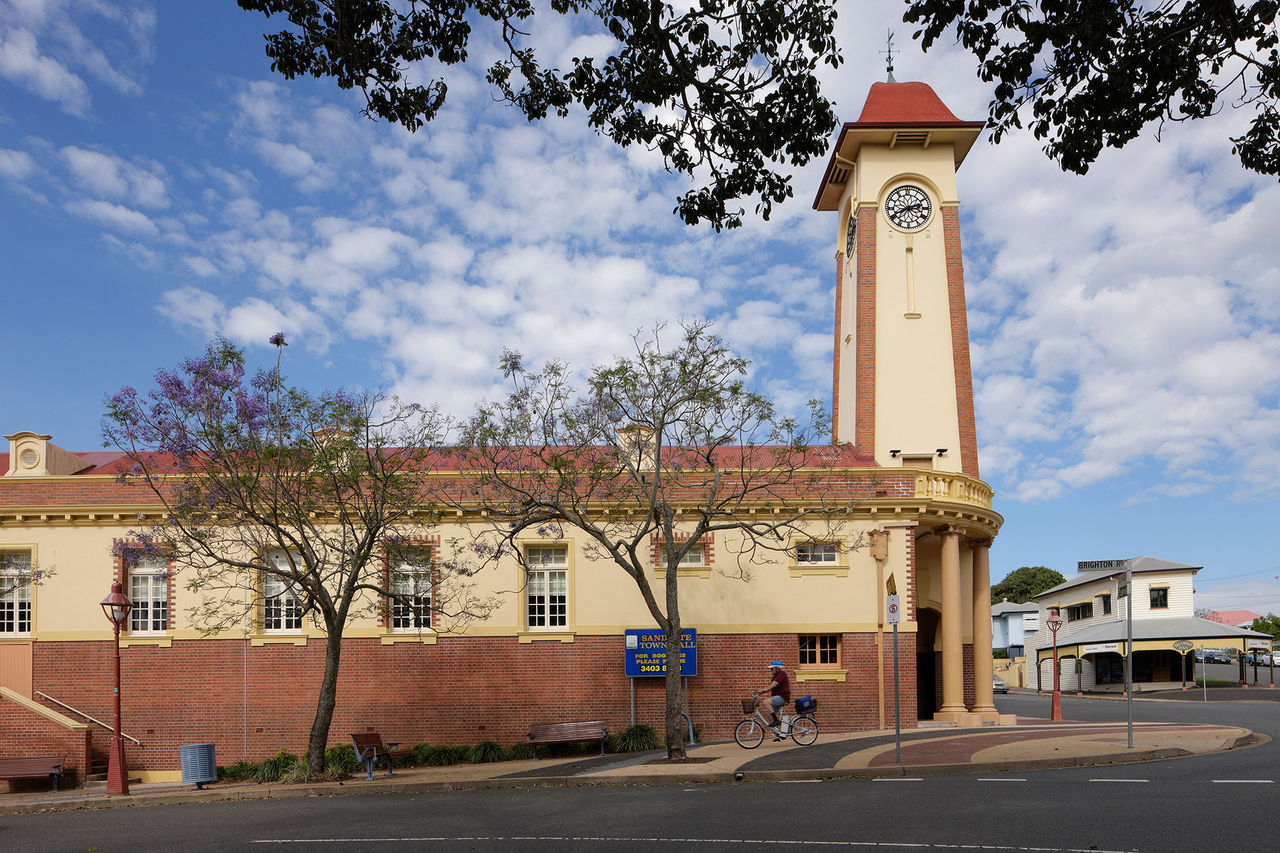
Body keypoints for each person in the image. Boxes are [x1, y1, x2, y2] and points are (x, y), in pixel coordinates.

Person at [757, 660, 791, 740]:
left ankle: (776, 720)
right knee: (769, 715)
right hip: (777, 698)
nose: (771, 670)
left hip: (782, 697)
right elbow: (770, 687)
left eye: (772, 669)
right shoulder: (775, 676)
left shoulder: (782, 674)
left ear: (777, 668)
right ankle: (778, 733)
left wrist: (764, 689)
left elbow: (774, 684)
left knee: (766, 702)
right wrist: (759, 693)